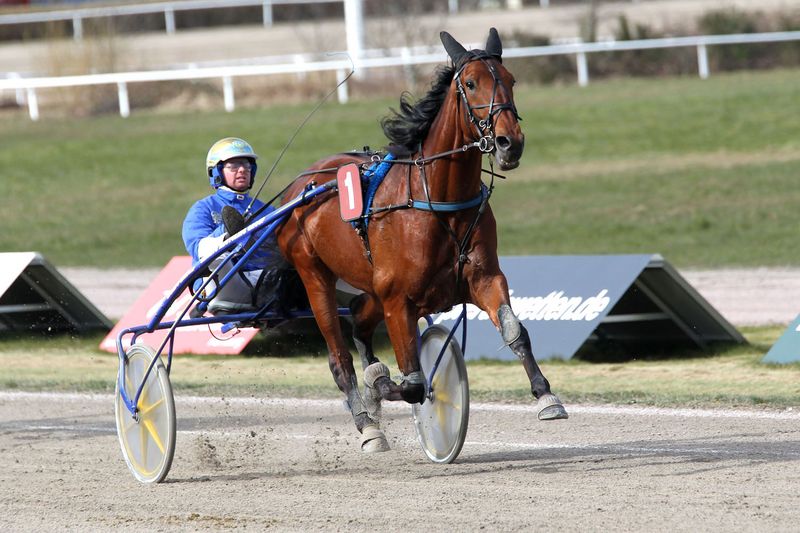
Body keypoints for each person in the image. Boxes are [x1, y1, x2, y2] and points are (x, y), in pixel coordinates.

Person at [182, 137, 288, 315]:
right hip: (226, 282)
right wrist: (227, 233)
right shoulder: (203, 208)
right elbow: (198, 249)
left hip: (268, 281)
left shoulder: (267, 209)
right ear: (217, 172)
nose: (242, 171)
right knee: (215, 255)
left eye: (246, 166)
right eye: (234, 166)